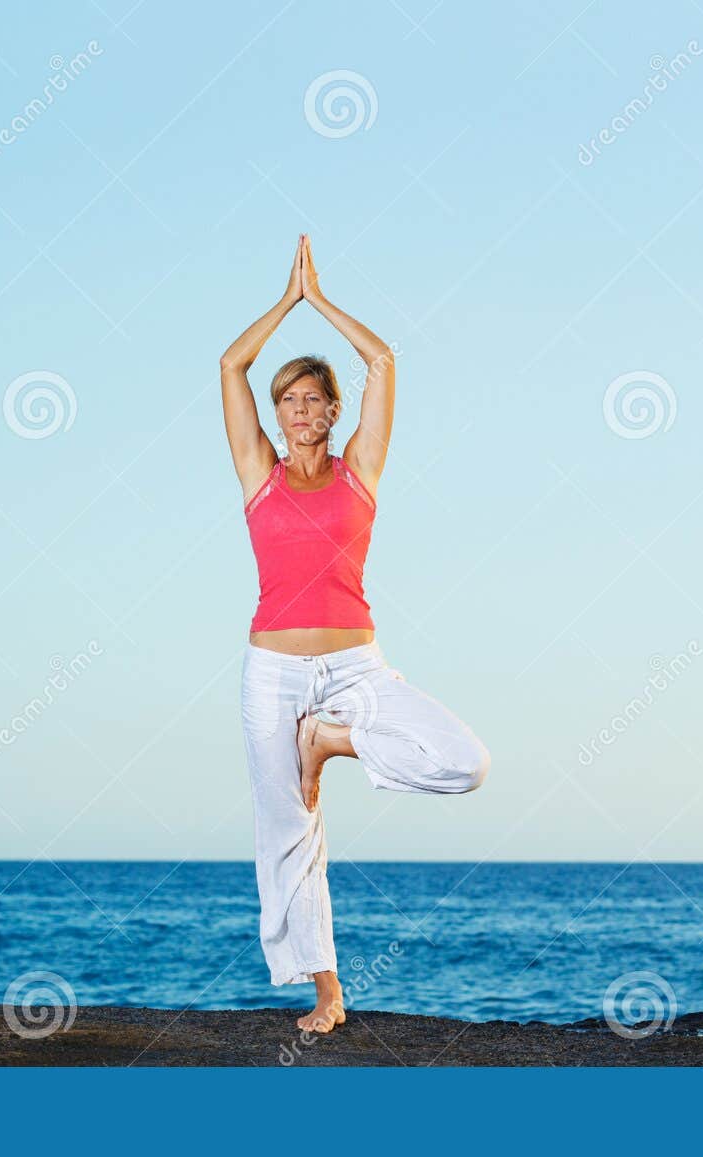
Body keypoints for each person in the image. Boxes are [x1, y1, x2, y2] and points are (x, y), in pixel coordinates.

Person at [218, 235, 491, 1033]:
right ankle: (328, 994)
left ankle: (330, 742)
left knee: (465, 761)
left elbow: (385, 363)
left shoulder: (359, 470)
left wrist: (323, 301)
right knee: (290, 837)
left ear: (334, 411)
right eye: (289, 403)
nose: (300, 413)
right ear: (278, 415)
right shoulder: (256, 473)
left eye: (313, 400)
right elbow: (229, 366)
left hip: (354, 669)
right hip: (272, 671)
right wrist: (286, 301)